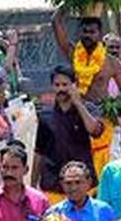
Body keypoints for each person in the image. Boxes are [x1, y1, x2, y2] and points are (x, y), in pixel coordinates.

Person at [35, 66, 103, 203]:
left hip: (82, 182)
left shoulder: (88, 109)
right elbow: (39, 152)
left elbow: (94, 131)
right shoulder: (45, 114)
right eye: (57, 85)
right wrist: (32, 185)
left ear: (74, 85)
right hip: (53, 184)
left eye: (65, 84)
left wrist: (78, 104)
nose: (61, 89)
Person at [47, 161, 115, 221]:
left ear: (89, 183)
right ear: (62, 184)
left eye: (78, 182)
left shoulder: (104, 210)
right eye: (68, 183)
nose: (73, 188)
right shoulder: (54, 213)